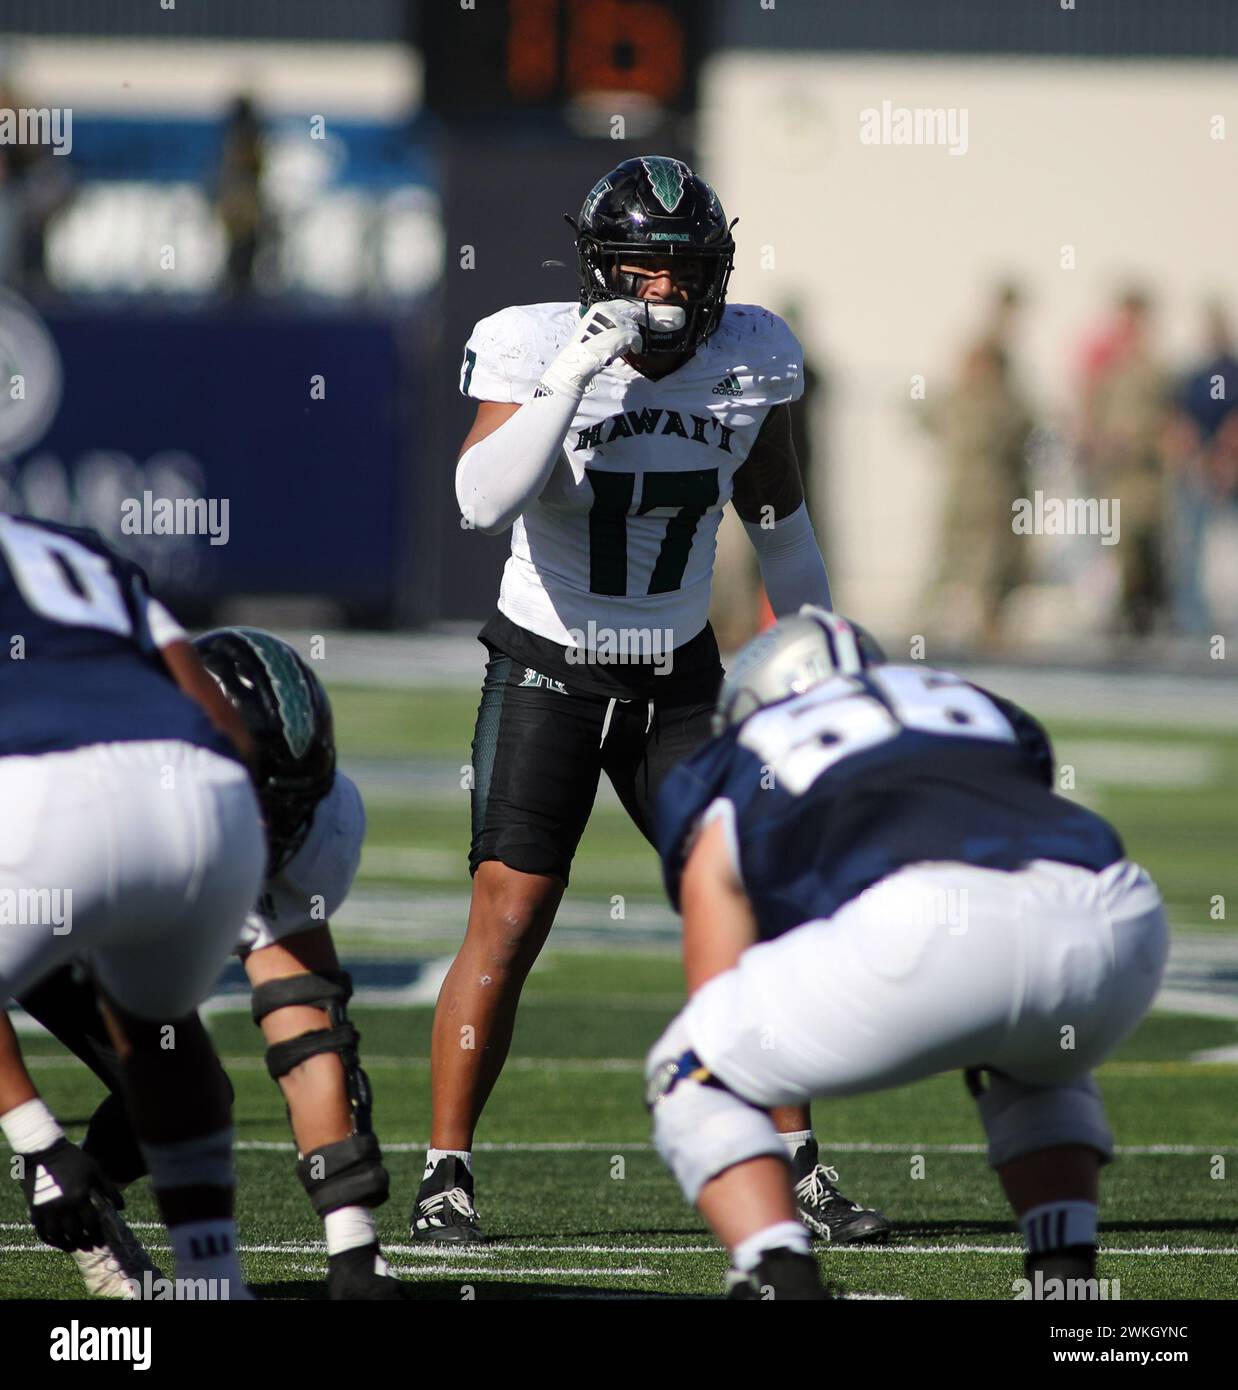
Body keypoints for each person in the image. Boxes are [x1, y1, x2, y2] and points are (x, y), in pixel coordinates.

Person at [413, 155, 887, 1246]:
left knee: (754, 904)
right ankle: (445, 1173)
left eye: (681, 272)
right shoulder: (536, 340)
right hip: (549, 666)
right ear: (598, 268)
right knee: (510, 908)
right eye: (640, 271)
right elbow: (479, 501)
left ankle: (796, 1164)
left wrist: (825, 659)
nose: (661, 295)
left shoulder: (750, 356)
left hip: (679, 677)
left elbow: (782, 530)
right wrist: (569, 377)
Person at [647, 608, 1168, 1297]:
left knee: (687, 1070)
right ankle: (1064, 1281)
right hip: (1116, 913)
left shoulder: (734, 755)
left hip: (927, 927)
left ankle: (780, 1275)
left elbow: (718, 980)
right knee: (1041, 1053)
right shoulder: (966, 700)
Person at [15, 626, 405, 1300]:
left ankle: (164, 1249)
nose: (265, 839)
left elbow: (304, 1023)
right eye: (247, 807)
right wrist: (38, 1137)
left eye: (281, 811)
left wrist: (352, 1238)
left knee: (184, 1091)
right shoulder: (61, 809)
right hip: (44, 898)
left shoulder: (313, 822)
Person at [0, 514, 266, 1298]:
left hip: (40, 815)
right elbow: (215, 712)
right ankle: (216, 1279)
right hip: (202, 798)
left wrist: (37, 1138)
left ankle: (45, 1158)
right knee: (170, 1059)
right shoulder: (68, 549)